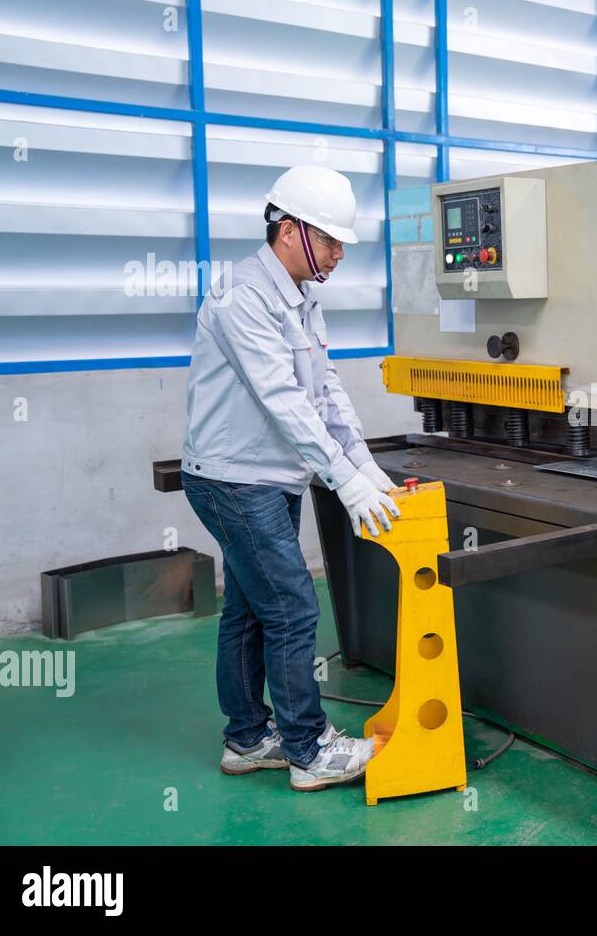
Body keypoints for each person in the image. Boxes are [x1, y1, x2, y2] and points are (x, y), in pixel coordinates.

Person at [180, 165, 400, 791]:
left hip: (273, 479)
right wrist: (342, 479)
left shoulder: (302, 296)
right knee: (292, 606)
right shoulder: (242, 295)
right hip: (232, 480)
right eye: (330, 241)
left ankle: (248, 739)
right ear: (290, 229)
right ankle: (308, 749)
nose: (337, 255)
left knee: (250, 609)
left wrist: (361, 463)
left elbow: (324, 388)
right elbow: (281, 398)